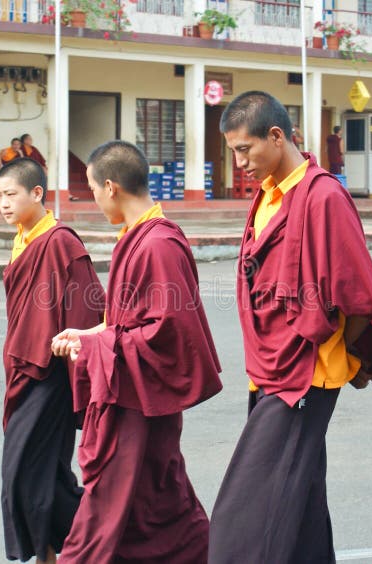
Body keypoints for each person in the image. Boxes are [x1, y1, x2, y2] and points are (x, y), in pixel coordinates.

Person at [209, 91, 372, 563]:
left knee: (245, 517)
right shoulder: (270, 195)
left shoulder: (323, 195)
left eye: (244, 149)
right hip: (270, 367)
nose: (238, 161)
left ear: (276, 136)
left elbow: (357, 294)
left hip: (305, 374)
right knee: (300, 506)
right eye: (233, 150)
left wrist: (347, 354)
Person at [50, 140, 222, 563]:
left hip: (139, 403)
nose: (93, 200)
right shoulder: (136, 237)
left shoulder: (158, 245)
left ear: (110, 187)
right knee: (159, 506)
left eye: (91, 190)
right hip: (132, 392)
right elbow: (127, 320)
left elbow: (167, 335)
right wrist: (87, 333)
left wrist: (96, 346)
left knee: (106, 510)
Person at [0, 157, 106, 564]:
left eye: (11, 195)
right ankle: (59, 551)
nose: (3, 204)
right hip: (24, 370)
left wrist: (79, 375)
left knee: (25, 469)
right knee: (41, 472)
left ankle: (101, 537)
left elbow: (85, 309)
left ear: (37, 193)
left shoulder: (61, 242)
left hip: (52, 374)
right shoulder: (23, 239)